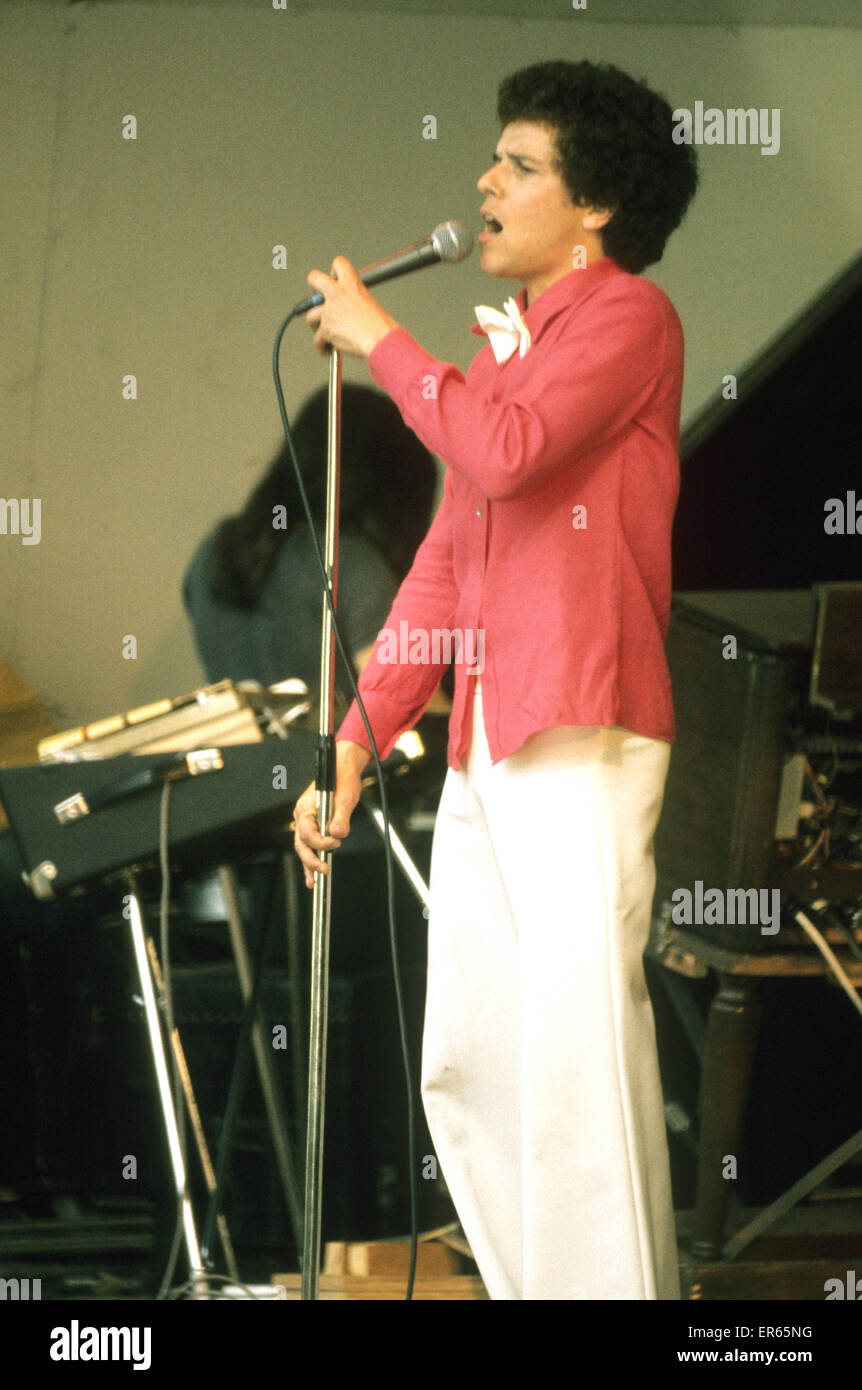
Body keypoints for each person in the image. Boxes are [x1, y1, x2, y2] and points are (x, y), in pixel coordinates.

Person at [292, 59, 699, 1300]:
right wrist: (357, 735)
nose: (484, 180)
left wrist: (385, 344)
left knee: (574, 1063)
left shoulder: (631, 316)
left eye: (519, 166)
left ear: (596, 211)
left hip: (577, 730)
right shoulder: (507, 359)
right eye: (495, 158)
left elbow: (505, 456)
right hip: (488, 742)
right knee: (475, 1060)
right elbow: (443, 570)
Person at [182, 382, 438, 704]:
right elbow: (404, 704)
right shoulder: (353, 565)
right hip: (344, 755)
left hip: (242, 753)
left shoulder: (209, 557)